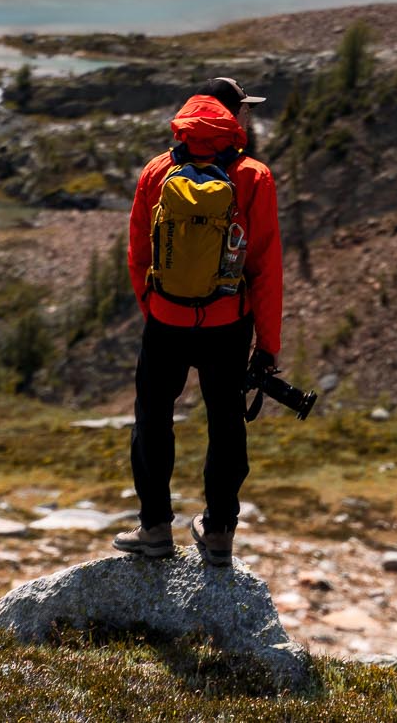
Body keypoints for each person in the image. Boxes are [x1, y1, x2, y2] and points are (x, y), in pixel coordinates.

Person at [114, 76, 281, 566]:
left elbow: (137, 253)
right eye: (244, 110)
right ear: (234, 117)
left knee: (152, 417)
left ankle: (154, 528)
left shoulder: (157, 171)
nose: (247, 117)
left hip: (166, 320)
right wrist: (267, 344)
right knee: (226, 421)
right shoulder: (253, 176)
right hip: (228, 323)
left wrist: (158, 308)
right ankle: (219, 533)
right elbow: (266, 268)